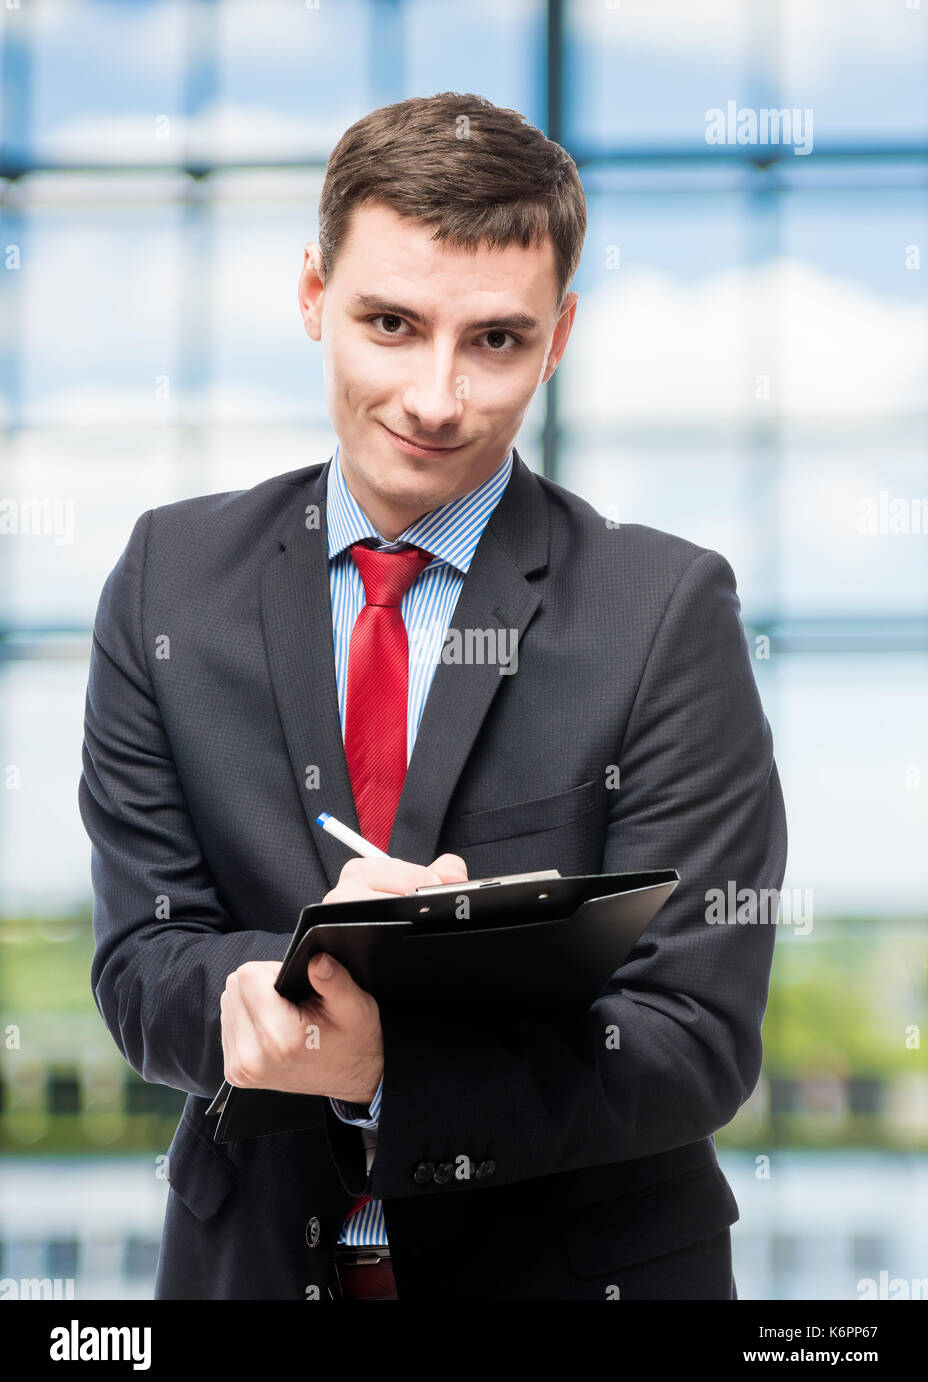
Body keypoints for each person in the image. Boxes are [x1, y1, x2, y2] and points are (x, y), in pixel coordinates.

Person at [78, 91, 787, 1301]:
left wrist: (390, 1059)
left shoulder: (661, 612)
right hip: (253, 1263)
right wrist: (286, 986)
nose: (438, 397)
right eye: (391, 323)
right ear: (313, 297)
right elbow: (145, 961)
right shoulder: (168, 581)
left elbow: (694, 1036)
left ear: (557, 336)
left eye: (496, 340)